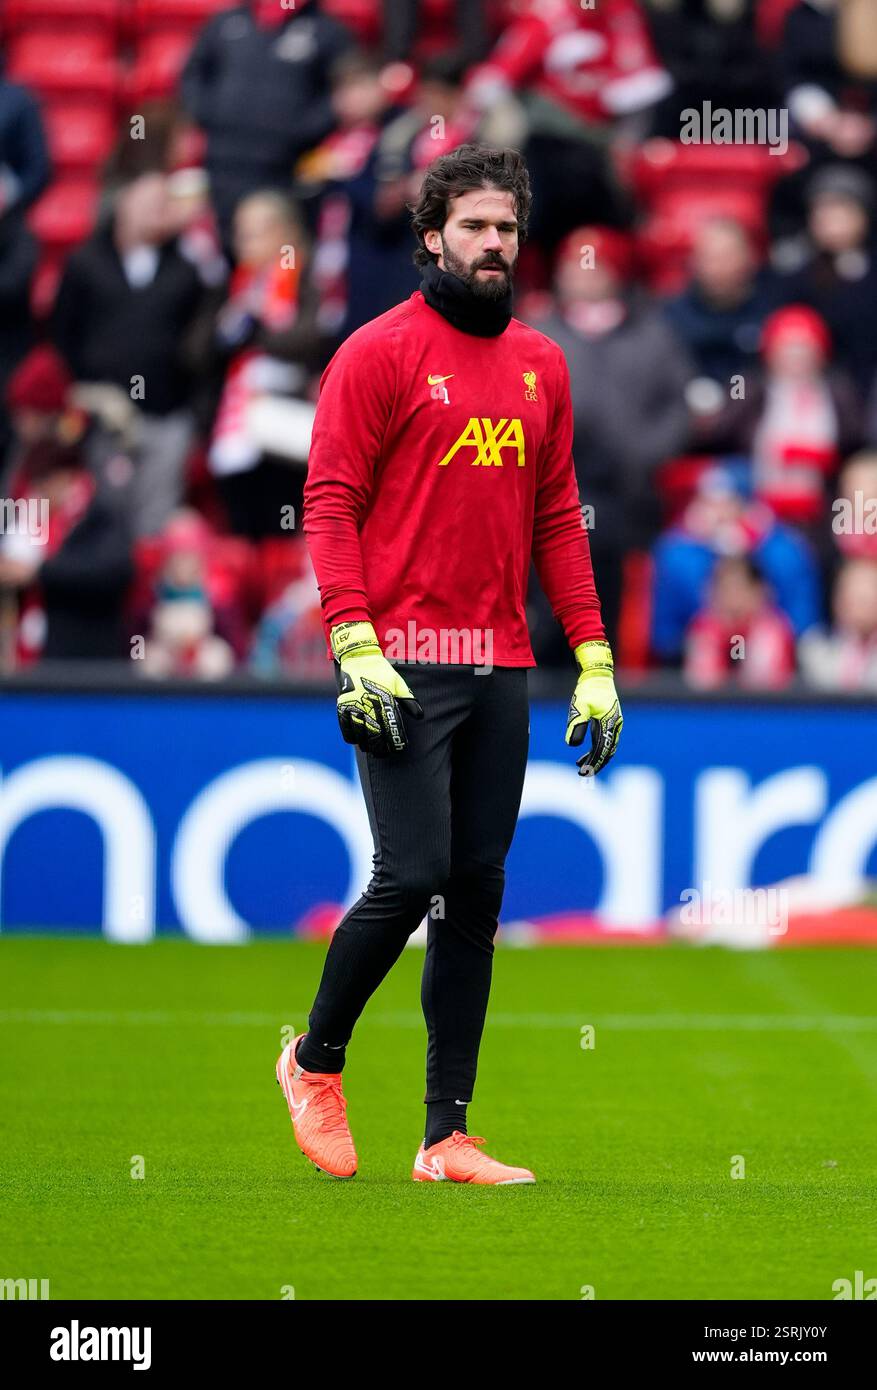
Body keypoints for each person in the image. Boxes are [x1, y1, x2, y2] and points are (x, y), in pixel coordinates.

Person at [277, 144, 622, 1186]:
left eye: (506, 229)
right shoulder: (377, 353)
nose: (492, 244)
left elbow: (557, 515)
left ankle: (444, 1137)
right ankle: (313, 1060)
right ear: (430, 234)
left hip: (500, 662)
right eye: (473, 226)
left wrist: (595, 659)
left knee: (474, 892)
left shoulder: (540, 363)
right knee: (412, 873)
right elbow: (329, 502)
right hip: (399, 659)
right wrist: (352, 641)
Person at [52, 171, 206, 538]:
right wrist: (81, 394)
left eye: (164, 203)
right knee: (103, 518)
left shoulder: (187, 270)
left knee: (154, 526)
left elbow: (203, 343)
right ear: (123, 203)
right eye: (149, 202)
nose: (158, 211)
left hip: (166, 416)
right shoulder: (85, 262)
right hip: (101, 417)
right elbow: (62, 333)